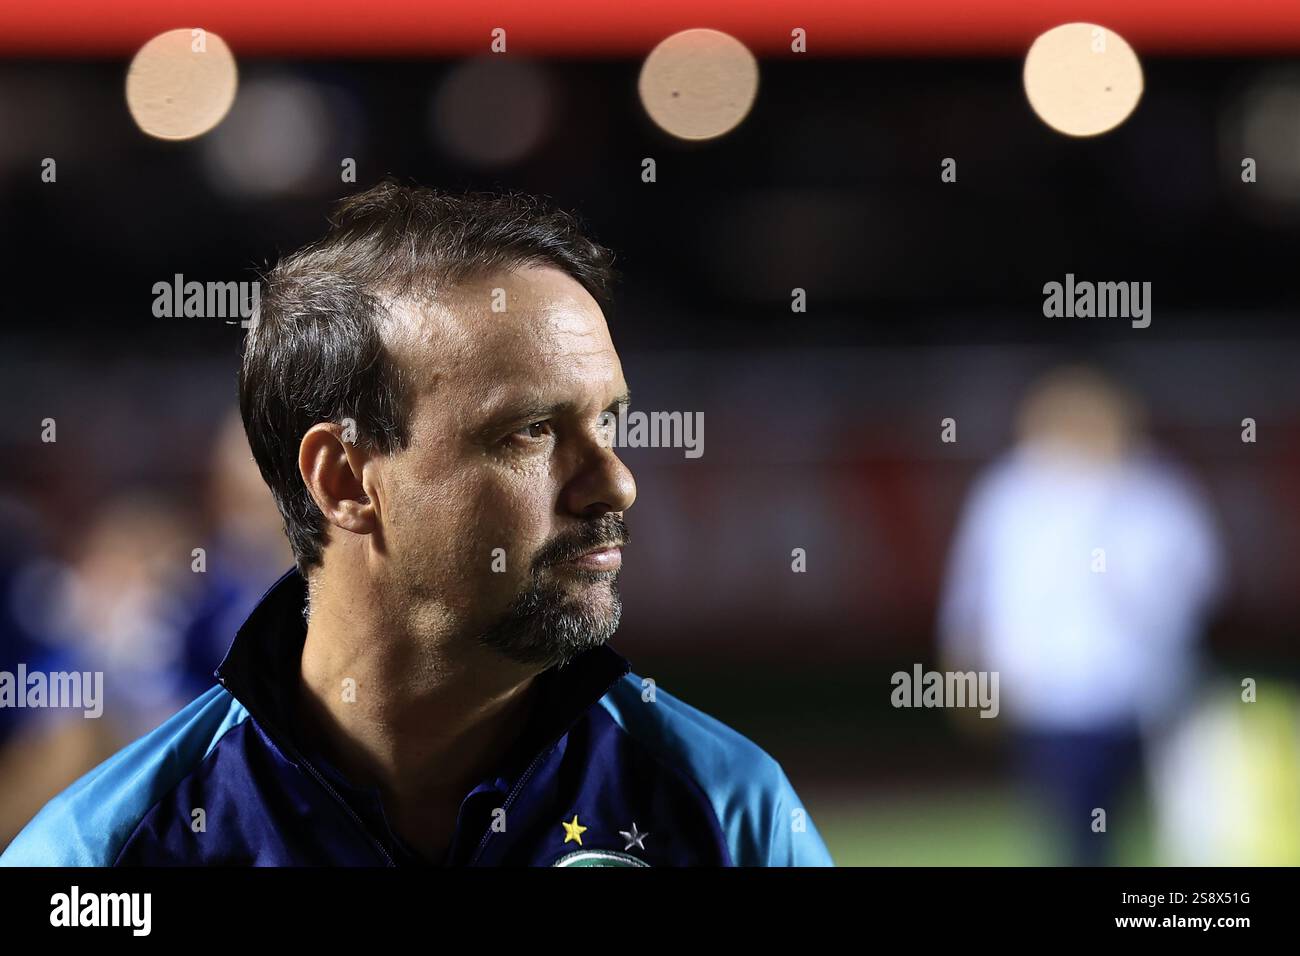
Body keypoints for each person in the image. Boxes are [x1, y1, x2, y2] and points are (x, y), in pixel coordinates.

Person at [2, 181, 833, 867]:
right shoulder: (98, 861)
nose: (615, 481)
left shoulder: (730, 813)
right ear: (345, 479)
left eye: (608, 421)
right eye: (531, 431)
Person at [938, 365, 1225, 865]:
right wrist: (968, 673)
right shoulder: (1011, 492)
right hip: (1051, 699)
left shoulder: (1154, 489)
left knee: (1182, 835)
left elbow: (1201, 579)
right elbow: (974, 592)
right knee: (1077, 836)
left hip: (1146, 693)